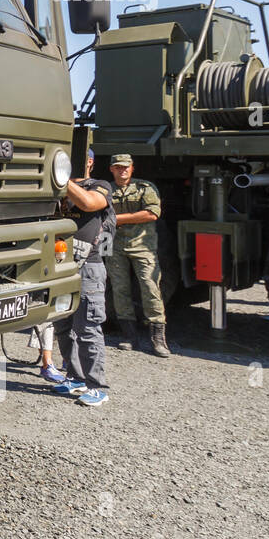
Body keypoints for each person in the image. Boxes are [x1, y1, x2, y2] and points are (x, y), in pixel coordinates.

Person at [52, 150, 116, 407]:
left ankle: (97, 386)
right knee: (63, 326)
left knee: (88, 327)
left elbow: (89, 204)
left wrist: (60, 178)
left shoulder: (100, 186)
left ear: (90, 161)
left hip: (89, 266)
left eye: (85, 159)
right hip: (61, 267)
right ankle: (75, 377)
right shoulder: (58, 189)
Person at [104, 154, 169, 357]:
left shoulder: (145, 188)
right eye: (117, 167)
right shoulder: (106, 190)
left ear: (132, 168)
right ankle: (129, 336)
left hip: (143, 246)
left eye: (125, 167)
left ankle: (158, 339)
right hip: (114, 246)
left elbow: (152, 213)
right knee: (119, 289)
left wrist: (117, 219)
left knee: (150, 288)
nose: (122, 170)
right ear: (111, 169)